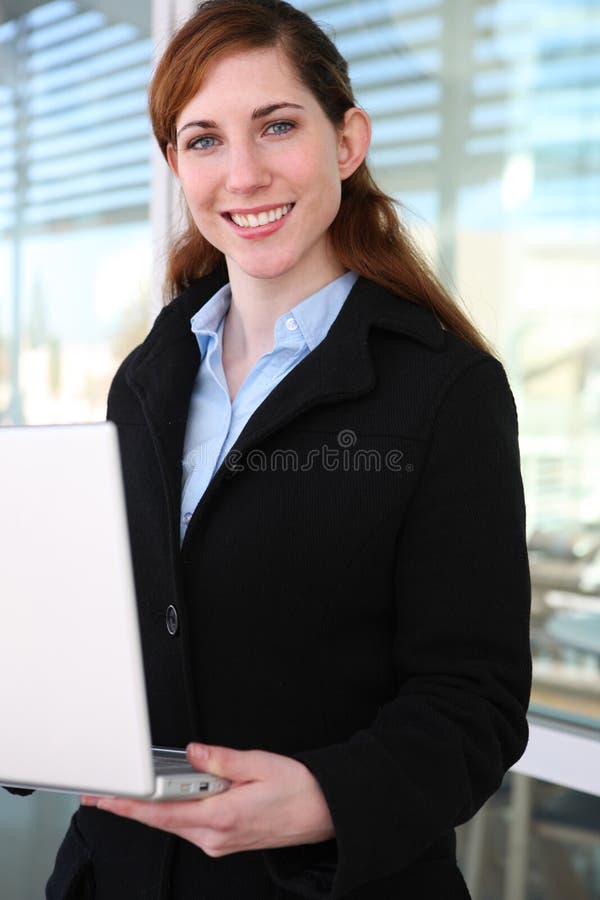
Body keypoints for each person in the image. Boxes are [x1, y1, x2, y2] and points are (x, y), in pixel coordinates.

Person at [46, 1, 531, 897]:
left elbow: (476, 702)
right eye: (204, 140)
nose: (245, 173)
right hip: (117, 871)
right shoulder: (146, 380)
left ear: (348, 142)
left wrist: (321, 798)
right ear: (173, 166)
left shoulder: (445, 390)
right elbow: (116, 622)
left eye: (277, 126)